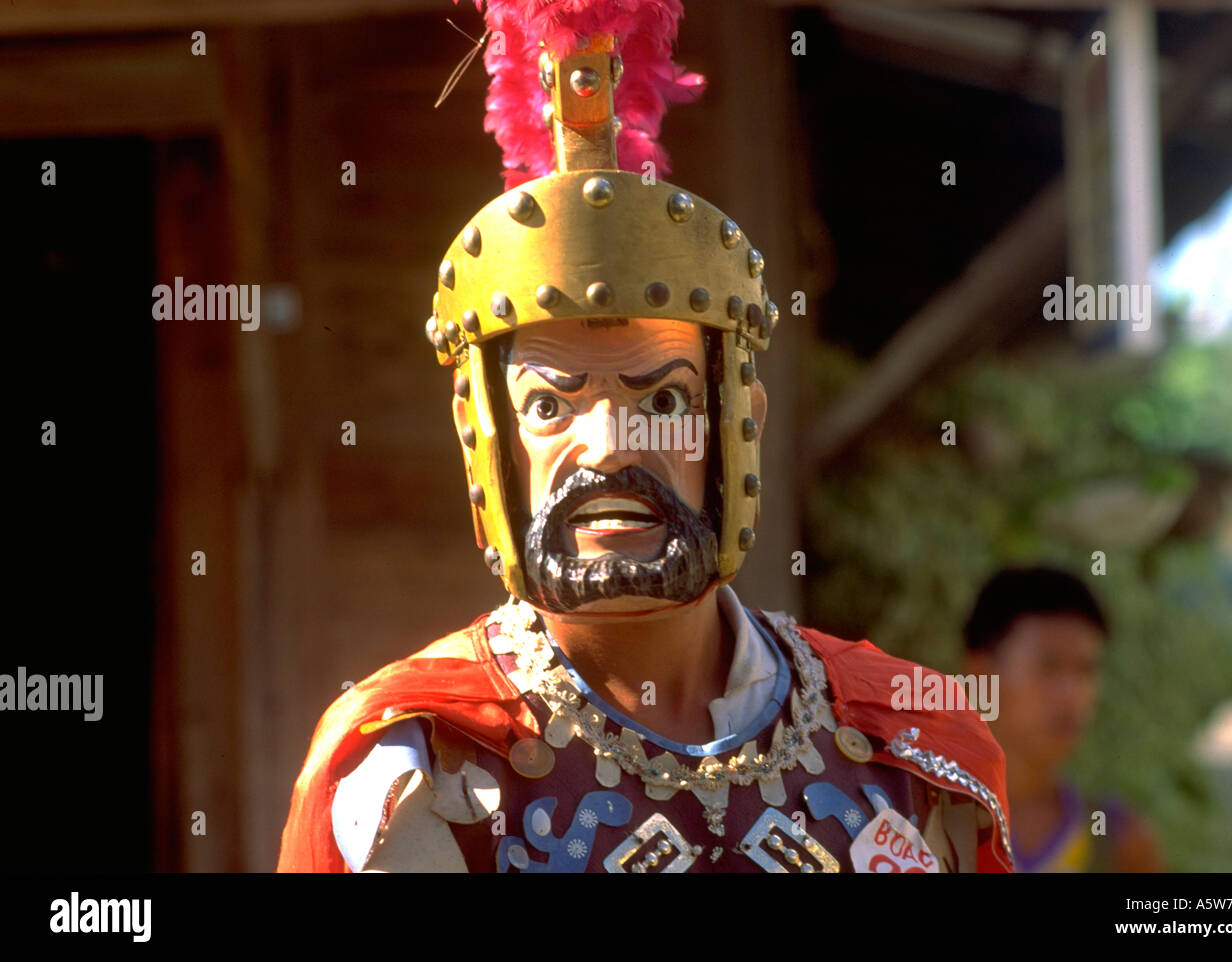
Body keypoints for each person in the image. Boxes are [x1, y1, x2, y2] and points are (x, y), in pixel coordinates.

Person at [277, 0, 1012, 874]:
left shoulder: (911, 749)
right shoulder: (406, 773)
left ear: (742, 424)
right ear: (488, 441)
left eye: (663, 401)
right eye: (551, 405)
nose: (607, 445)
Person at [963, 566, 1163, 872]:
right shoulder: (918, 825)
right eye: (1049, 667)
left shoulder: (1120, 844)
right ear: (980, 674)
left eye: (1086, 670)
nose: (1071, 694)